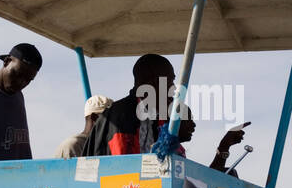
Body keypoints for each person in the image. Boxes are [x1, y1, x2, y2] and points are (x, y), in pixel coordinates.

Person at [80, 54, 248, 171]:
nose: (174, 89)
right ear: (152, 81)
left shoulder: (153, 119)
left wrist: (223, 147)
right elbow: (125, 175)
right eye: (171, 81)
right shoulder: (124, 115)